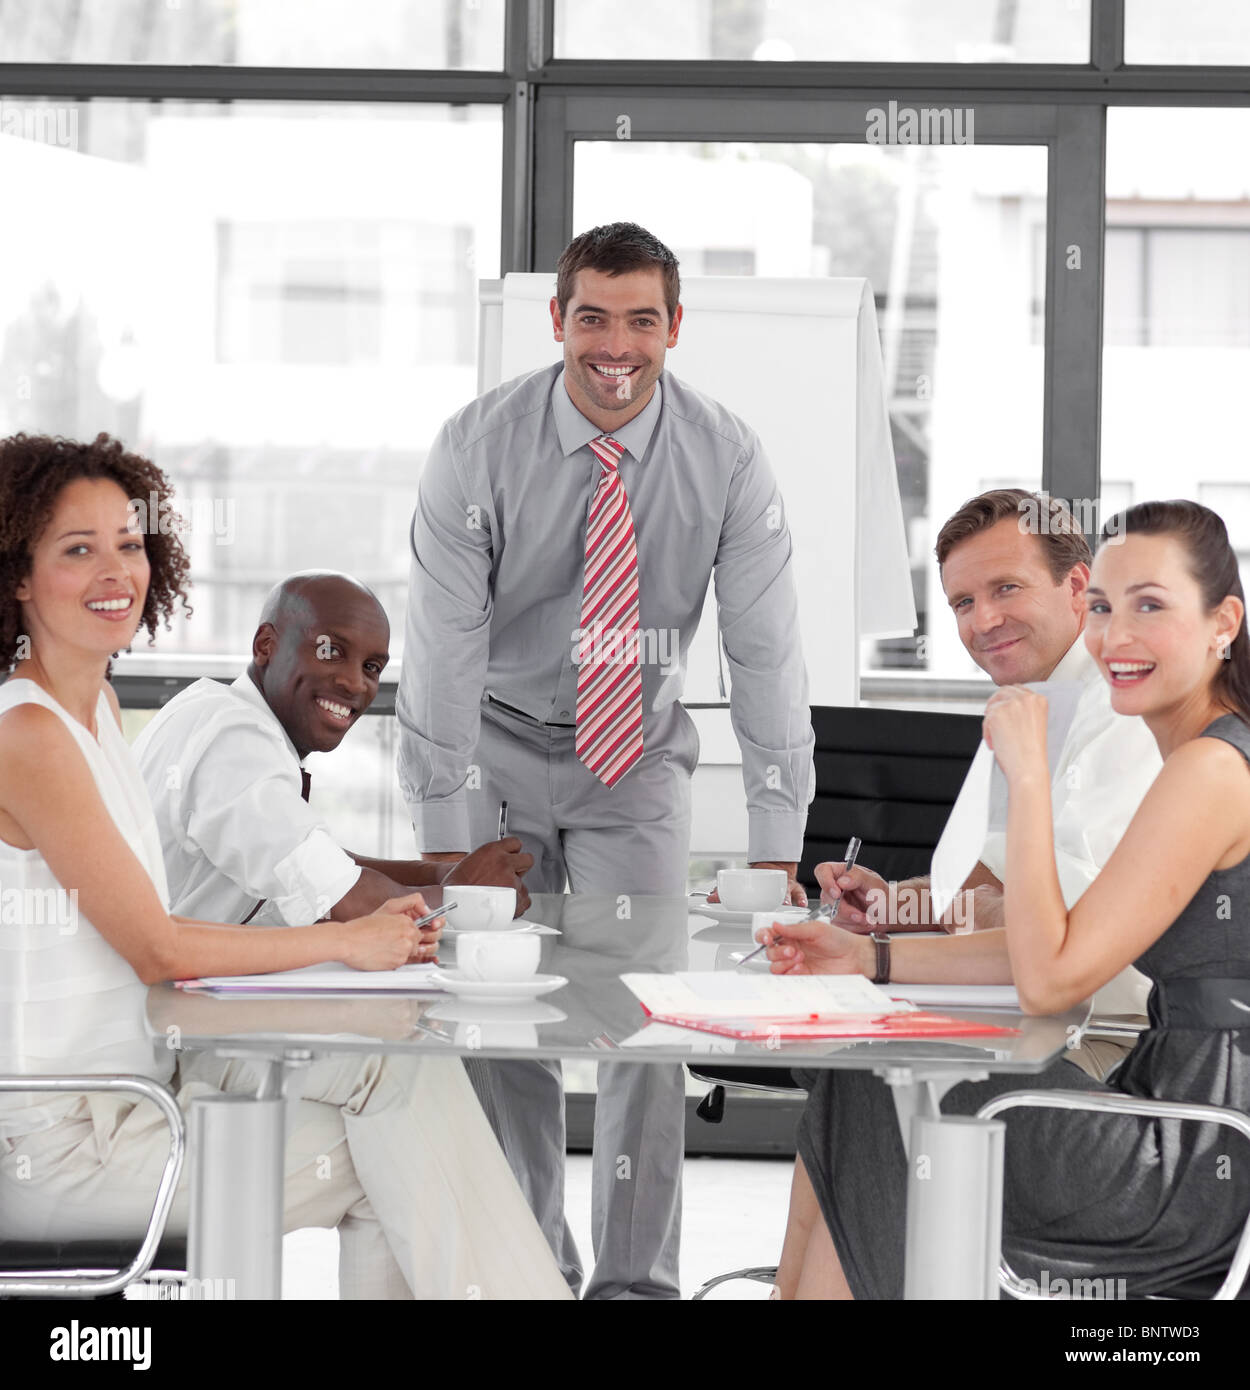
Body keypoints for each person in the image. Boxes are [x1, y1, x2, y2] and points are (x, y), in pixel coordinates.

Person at [0, 432, 571, 1301]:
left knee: (400, 1068)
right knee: (400, 1156)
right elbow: (157, 947)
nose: (115, 571)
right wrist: (343, 946)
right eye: (78, 551)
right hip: (68, 1150)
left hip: (136, 1085)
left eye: (127, 544)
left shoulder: (96, 708)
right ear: (18, 576)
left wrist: (397, 909)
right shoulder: (30, 735)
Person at [397, 221, 815, 1298]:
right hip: (488, 743)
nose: (614, 344)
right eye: (592, 317)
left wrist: (775, 851)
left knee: (643, 1016)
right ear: (557, 321)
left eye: (640, 319)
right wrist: (448, 858)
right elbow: (440, 658)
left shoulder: (725, 455)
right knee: (500, 1020)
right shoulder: (475, 446)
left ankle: (635, 1284)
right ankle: (527, 1265)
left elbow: (765, 652)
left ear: (675, 326)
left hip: (632, 755)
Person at [766, 499, 1250, 1299]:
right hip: (1170, 1119)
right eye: (1103, 607)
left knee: (892, 1086)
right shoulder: (1205, 757)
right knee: (872, 1076)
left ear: (1222, 621)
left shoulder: (1208, 770)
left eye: (1151, 607)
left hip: (1189, 1159)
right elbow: (1045, 929)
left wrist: (1026, 776)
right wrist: (876, 947)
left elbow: (1051, 975)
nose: (1115, 636)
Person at [133, 569, 533, 931]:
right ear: (266, 645)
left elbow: (323, 862)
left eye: (372, 668)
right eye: (331, 651)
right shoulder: (235, 740)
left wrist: (442, 875)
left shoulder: (212, 710)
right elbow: (346, 898)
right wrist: (469, 897)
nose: (355, 683)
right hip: (149, 1001)